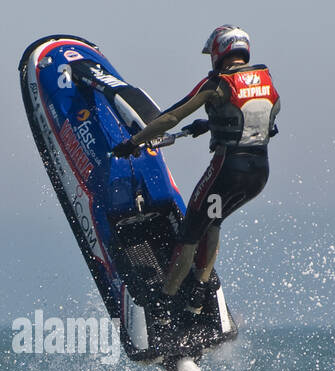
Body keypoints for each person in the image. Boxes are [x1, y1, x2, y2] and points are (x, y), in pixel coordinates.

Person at [112, 25, 279, 317]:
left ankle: (164, 307)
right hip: (259, 173)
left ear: (219, 52)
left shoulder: (218, 83)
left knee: (190, 232)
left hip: (228, 170)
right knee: (213, 220)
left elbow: (172, 116)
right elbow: (262, 125)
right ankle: (197, 300)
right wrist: (213, 124)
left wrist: (133, 142)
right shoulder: (267, 80)